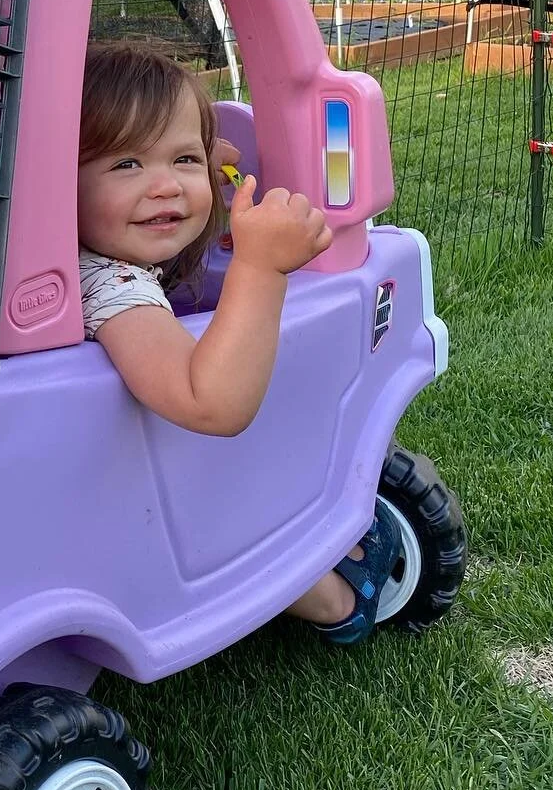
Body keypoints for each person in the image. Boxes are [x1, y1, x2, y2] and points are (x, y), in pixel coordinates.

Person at [76, 40, 400, 643]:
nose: (166, 187)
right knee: (236, 487)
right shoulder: (113, 288)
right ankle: (336, 601)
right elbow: (213, 402)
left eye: (183, 161)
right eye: (126, 165)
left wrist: (202, 158)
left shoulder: (98, 250)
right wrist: (260, 268)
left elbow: (176, 166)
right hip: (146, 509)